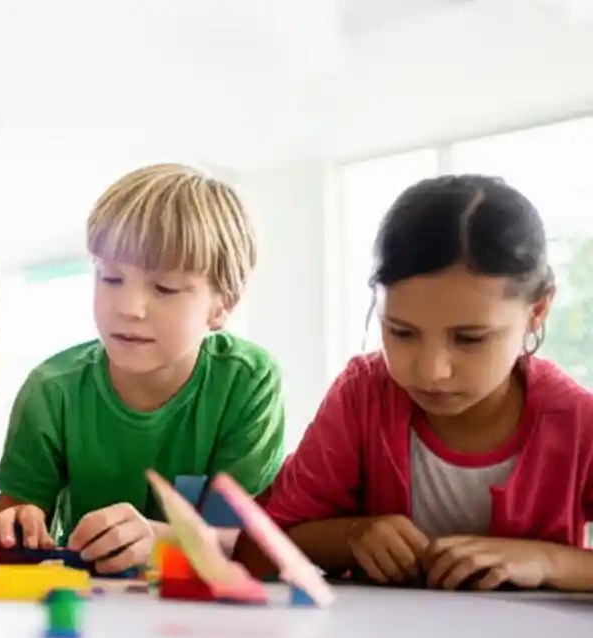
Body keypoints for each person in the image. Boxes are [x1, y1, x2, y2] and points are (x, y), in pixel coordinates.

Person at [247, 174, 593, 592]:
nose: (431, 372)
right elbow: (262, 542)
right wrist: (352, 536)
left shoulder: (577, 422)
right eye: (401, 332)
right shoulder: (363, 396)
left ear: (538, 311)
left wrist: (548, 560)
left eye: (469, 339)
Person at [0, 163, 285, 574]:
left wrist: (158, 540)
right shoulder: (53, 390)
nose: (128, 308)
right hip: (87, 612)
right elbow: (10, 540)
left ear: (222, 304)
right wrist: (6, 531)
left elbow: (252, 545)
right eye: (111, 278)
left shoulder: (247, 380)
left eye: (165, 288)